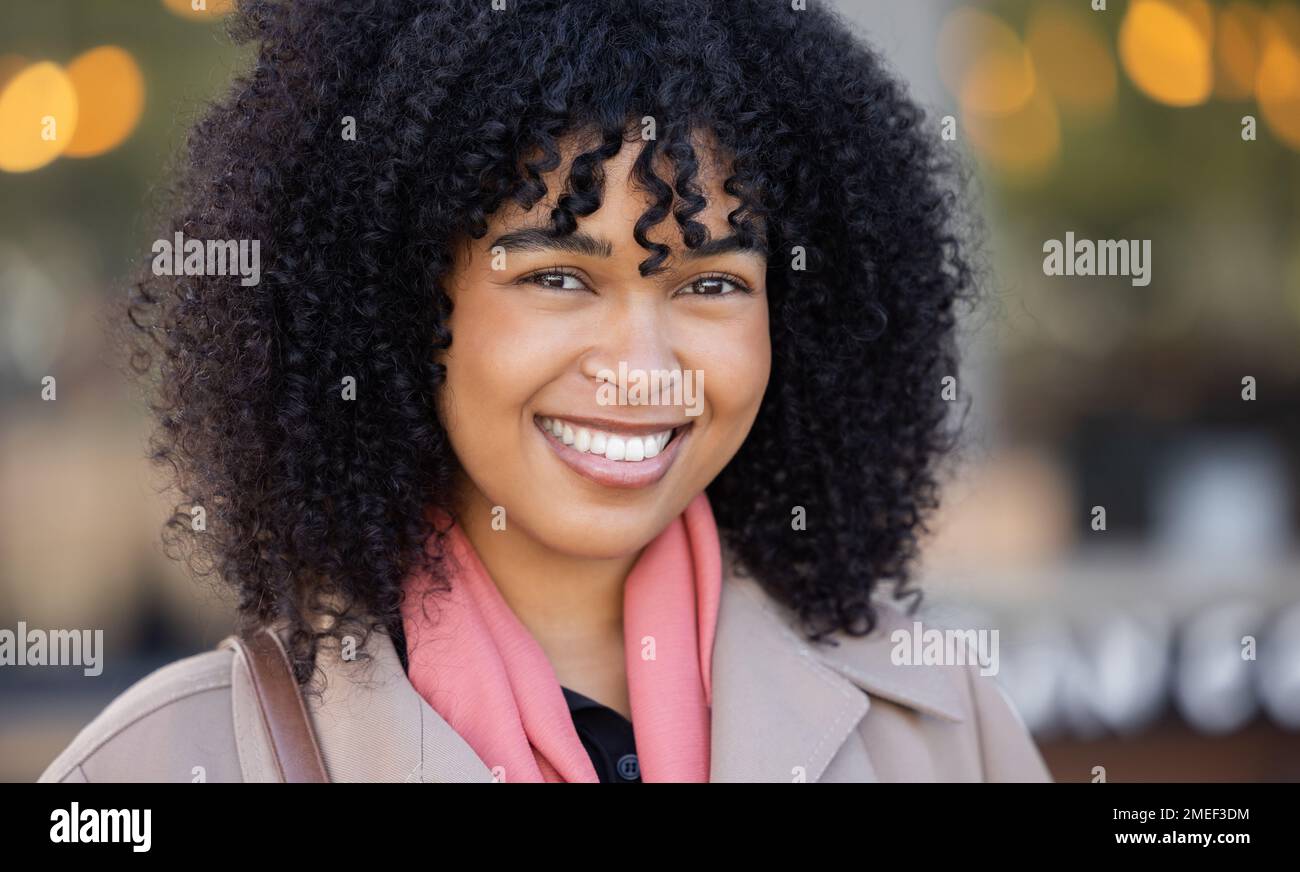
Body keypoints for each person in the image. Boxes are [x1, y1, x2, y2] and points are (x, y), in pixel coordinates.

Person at [39, 0, 1051, 783]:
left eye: (710, 284)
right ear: (394, 302)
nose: (641, 364)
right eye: (559, 276)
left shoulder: (942, 730)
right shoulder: (166, 762)